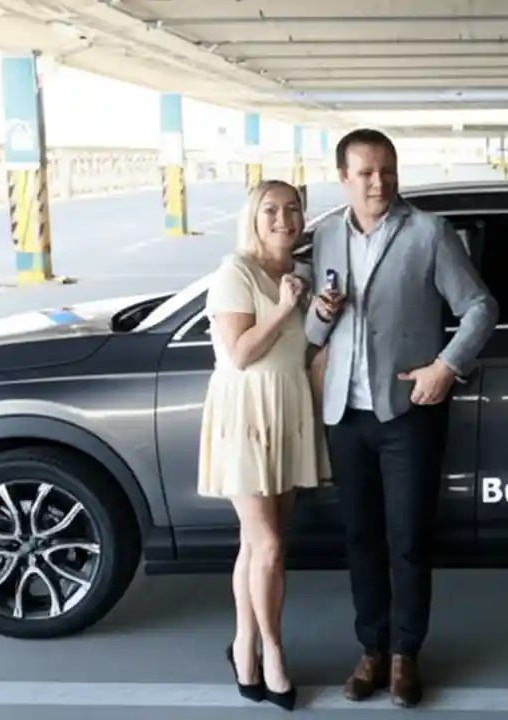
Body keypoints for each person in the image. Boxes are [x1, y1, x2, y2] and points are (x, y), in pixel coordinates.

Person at [306, 129, 498, 708]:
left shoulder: (428, 232)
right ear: (344, 178)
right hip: (345, 414)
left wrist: (447, 366)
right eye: (366, 173)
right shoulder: (327, 235)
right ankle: (371, 649)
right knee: (360, 538)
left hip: (408, 412)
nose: (379, 182)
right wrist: (321, 313)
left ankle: (404, 656)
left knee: (408, 539)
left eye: (387, 170)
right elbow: (315, 330)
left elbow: (480, 307)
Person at [198, 179, 329, 712]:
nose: (283, 219)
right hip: (246, 414)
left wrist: (323, 314)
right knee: (270, 545)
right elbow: (240, 353)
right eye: (271, 210)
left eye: (292, 209)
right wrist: (283, 307)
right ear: (253, 218)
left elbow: (307, 350)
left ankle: (244, 644)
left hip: (288, 411)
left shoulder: (302, 273)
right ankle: (273, 651)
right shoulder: (236, 271)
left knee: (257, 545)